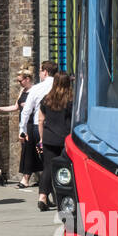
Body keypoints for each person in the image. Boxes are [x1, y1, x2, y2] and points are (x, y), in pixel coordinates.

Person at [0, 69, 36, 189]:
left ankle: (25, 179)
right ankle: (34, 178)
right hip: (23, 124)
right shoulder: (22, 91)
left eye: (20, 81)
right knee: (27, 150)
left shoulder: (35, 91)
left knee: (29, 151)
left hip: (31, 124)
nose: (19, 83)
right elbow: (16, 107)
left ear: (27, 79)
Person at [38, 72, 74, 211]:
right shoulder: (71, 100)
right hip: (65, 139)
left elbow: (41, 119)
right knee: (66, 168)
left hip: (49, 138)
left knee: (48, 168)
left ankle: (42, 197)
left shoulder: (46, 99)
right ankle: (65, 199)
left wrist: (41, 138)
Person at [20, 60, 59, 189]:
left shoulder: (37, 88)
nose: (40, 74)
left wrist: (22, 129)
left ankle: (44, 194)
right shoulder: (61, 86)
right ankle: (52, 189)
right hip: (59, 127)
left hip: (39, 127)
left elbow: (26, 111)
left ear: (45, 72)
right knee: (56, 160)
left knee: (46, 162)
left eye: (41, 71)